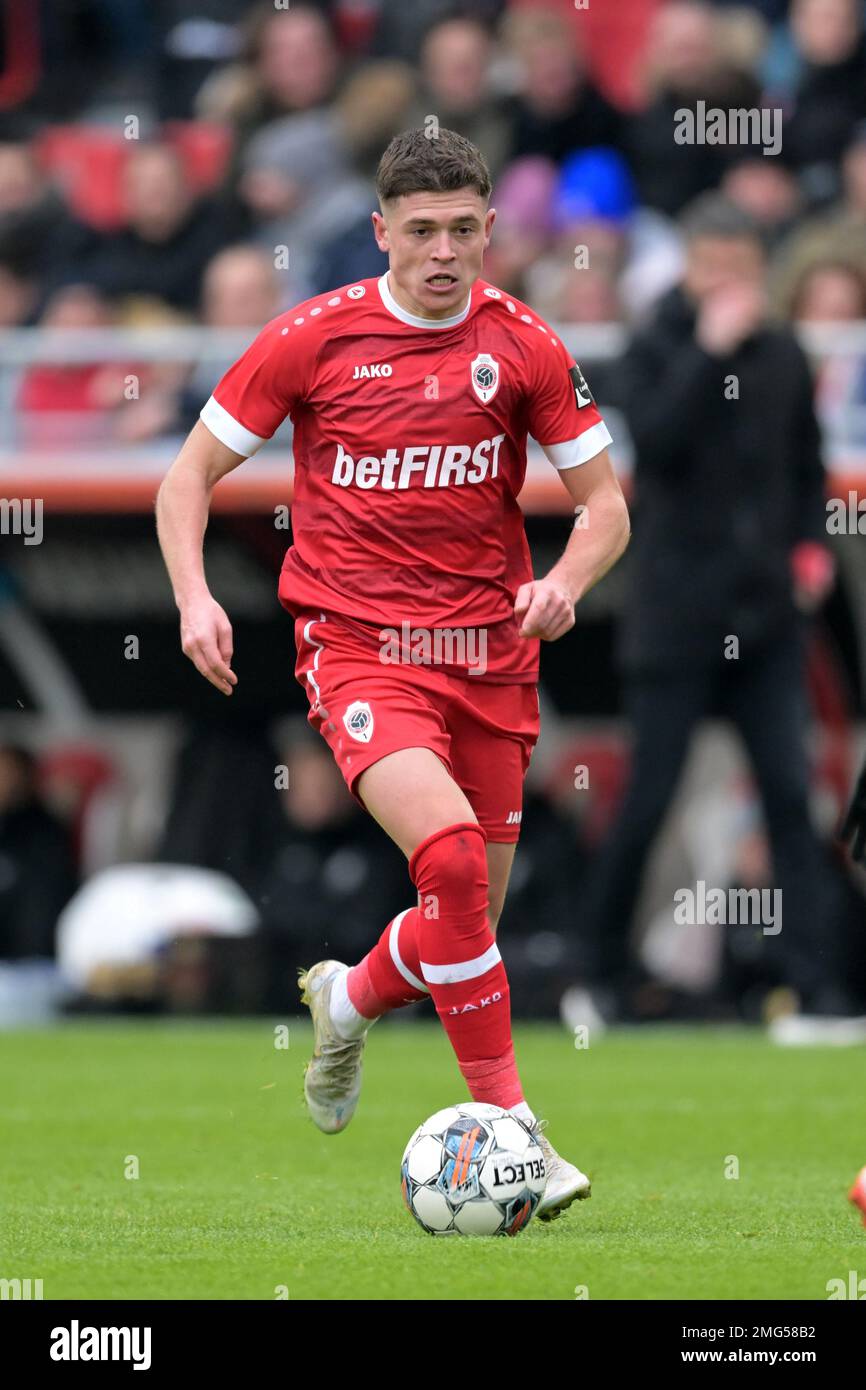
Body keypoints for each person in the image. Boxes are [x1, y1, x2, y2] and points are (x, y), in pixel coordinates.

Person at [156, 126, 630, 1222]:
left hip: (491, 655)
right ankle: (519, 1133)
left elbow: (604, 506)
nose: (442, 251)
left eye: (464, 229)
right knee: (453, 861)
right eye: (420, 231)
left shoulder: (523, 345)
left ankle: (349, 996)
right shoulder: (315, 338)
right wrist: (192, 595)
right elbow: (187, 477)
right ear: (381, 232)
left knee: (461, 915)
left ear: (488, 231)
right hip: (361, 646)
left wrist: (563, 581)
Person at [567, 193, 865, 1037]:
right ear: (692, 267)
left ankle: (812, 990)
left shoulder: (783, 355)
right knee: (647, 799)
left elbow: (807, 473)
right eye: (716, 269)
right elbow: (652, 444)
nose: (731, 287)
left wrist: (810, 549)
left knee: (790, 799)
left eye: (743, 271)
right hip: (677, 621)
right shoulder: (655, 344)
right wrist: (707, 353)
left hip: (768, 621)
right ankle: (595, 970)